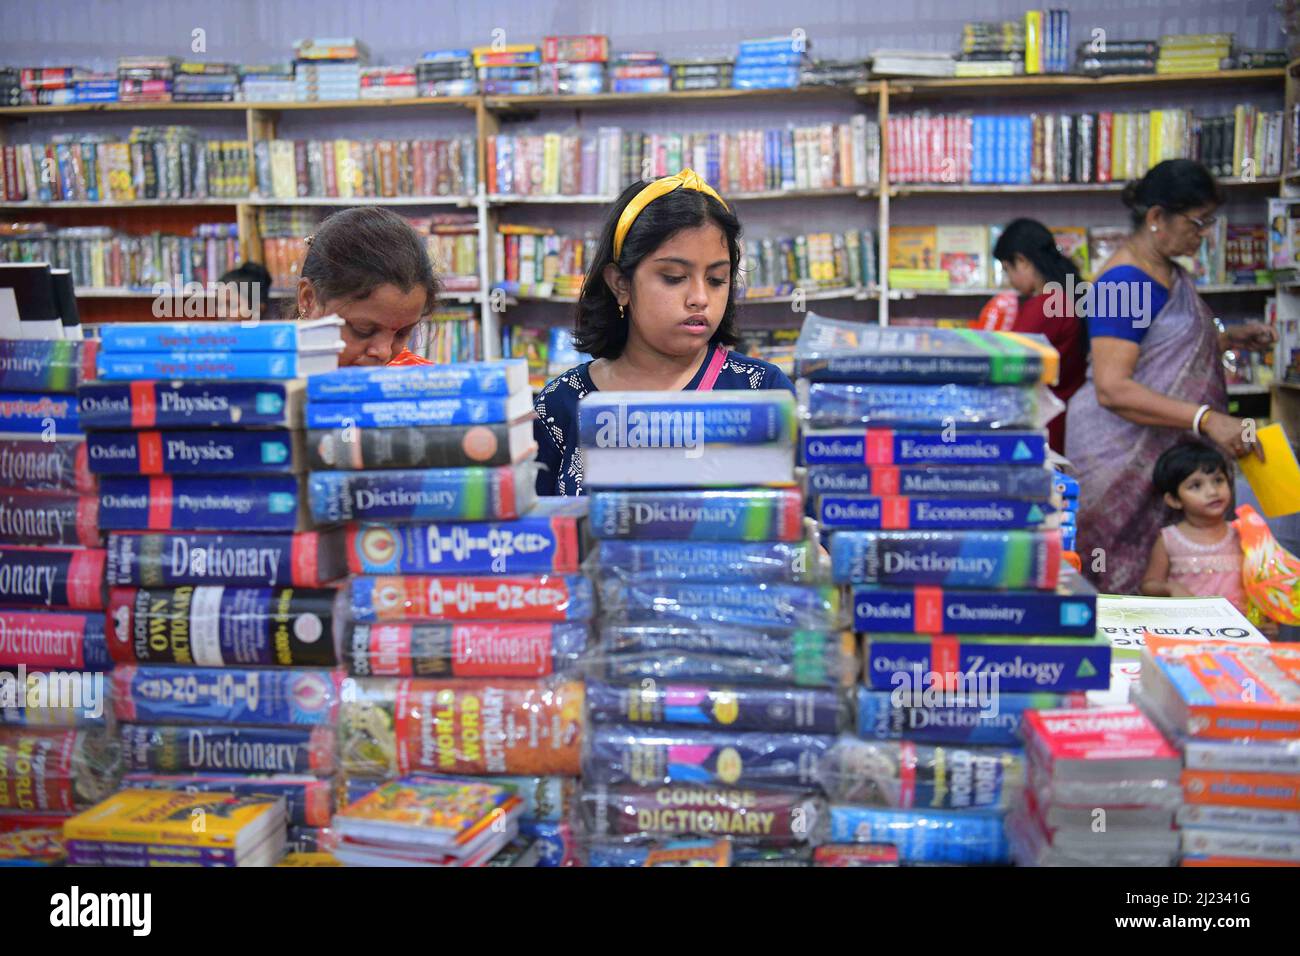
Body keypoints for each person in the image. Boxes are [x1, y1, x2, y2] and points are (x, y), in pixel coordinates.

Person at [1064, 159, 1276, 594]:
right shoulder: (1125, 282)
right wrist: (1206, 419)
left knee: (1166, 579)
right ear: (1157, 217)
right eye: (1198, 223)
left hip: (1164, 452)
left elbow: (1163, 355)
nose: (1204, 235)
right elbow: (1112, 386)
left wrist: (1228, 340)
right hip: (1117, 457)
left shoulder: (1168, 273)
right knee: (1117, 581)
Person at [533, 169, 794, 496]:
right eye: (673, 277)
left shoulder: (764, 393)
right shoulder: (562, 402)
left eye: (716, 280)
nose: (699, 298)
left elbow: (800, 522)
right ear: (621, 284)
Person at [1140, 441, 1277, 635]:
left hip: (1241, 633)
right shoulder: (1170, 540)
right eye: (1196, 486)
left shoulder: (1244, 533)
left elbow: (1262, 583)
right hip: (1188, 633)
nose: (1212, 491)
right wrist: (1170, 588)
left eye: (1218, 480)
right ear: (1174, 500)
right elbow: (1149, 585)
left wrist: (1264, 620)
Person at [295, 206, 439, 367]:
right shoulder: (267, 380)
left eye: (402, 333)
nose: (384, 352)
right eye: (363, 330)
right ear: (308, 299)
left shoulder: (422, 384)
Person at [992, 218, 1087, 453]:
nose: (1009, 281)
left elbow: (1010, 364)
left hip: (1043, 422)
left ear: (1022, 261)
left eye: (1007, 269)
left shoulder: (1044, 306)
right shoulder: (1068, 295)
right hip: (1066, 416)